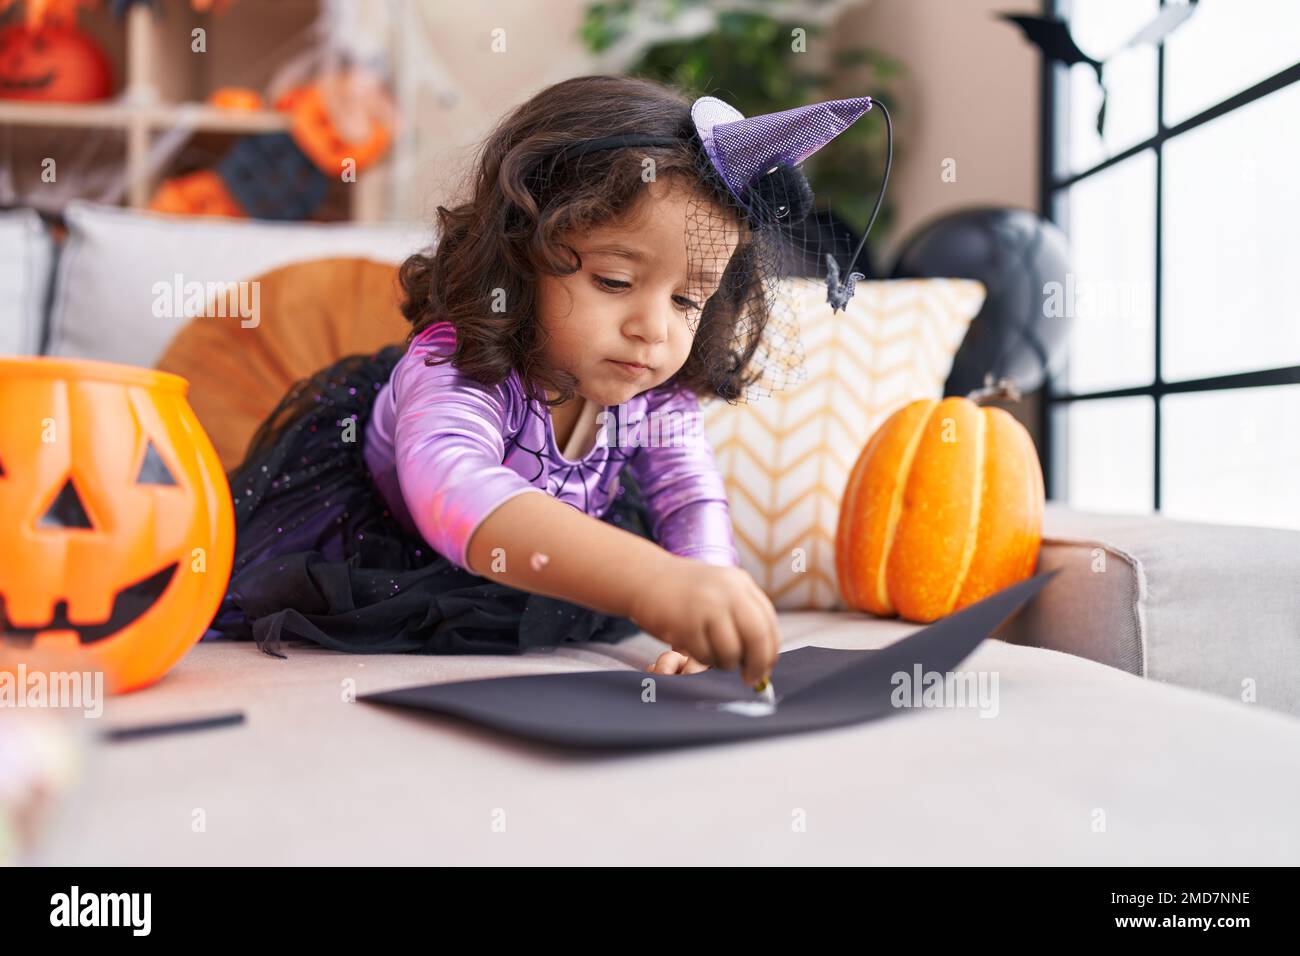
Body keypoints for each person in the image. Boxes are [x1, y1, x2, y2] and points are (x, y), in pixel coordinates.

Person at [211, 74, 877, 688]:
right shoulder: (455, 362)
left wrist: (705, 584)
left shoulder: (655, 393)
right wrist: (650, 583)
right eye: (615, 282)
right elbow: (455, 485)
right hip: (393, 554)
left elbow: (689, 496)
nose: (654, 329)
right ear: (519, 256)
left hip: (527, 571)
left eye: (687, 300)